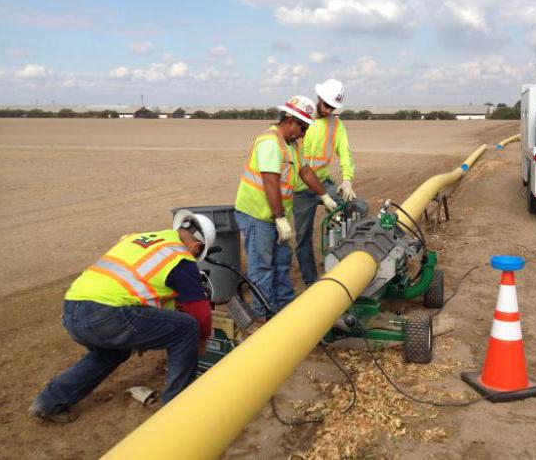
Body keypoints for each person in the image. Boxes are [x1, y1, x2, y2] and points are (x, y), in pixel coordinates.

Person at [29, 210, 216, 423]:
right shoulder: (181, 259)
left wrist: (144, 331)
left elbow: (139, 286)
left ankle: (48, 403)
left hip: (73, 309)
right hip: (107, 315)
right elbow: (200, 314)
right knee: (188, 329)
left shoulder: (140, 239)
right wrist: (201, 340)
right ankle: (175, 409)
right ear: (196, 247)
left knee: (111, 354)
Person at [234, 95, 337, 320]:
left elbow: (305, 172)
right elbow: (270, 181)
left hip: (273, 215)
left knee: (281, 260)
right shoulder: (270, 143)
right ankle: (265, 314)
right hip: (257, 215)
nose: (305, 133)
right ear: (290, 120)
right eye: (303, 128)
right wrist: (280, 218)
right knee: (262, 266)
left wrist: (324, 196)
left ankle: (284, 306)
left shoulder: (292, 145)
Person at [293, 79, 368, 285]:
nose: (328, 110)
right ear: (319, 99)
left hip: (323, 183)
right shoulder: (303, 120)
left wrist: (347, 180)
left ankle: (340, 260)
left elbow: (345, 152)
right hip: (300, 188)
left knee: (356, 208)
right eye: (326, 105)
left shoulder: (337, 124)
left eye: (333, 107)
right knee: (302, 237)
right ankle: (311, 281)